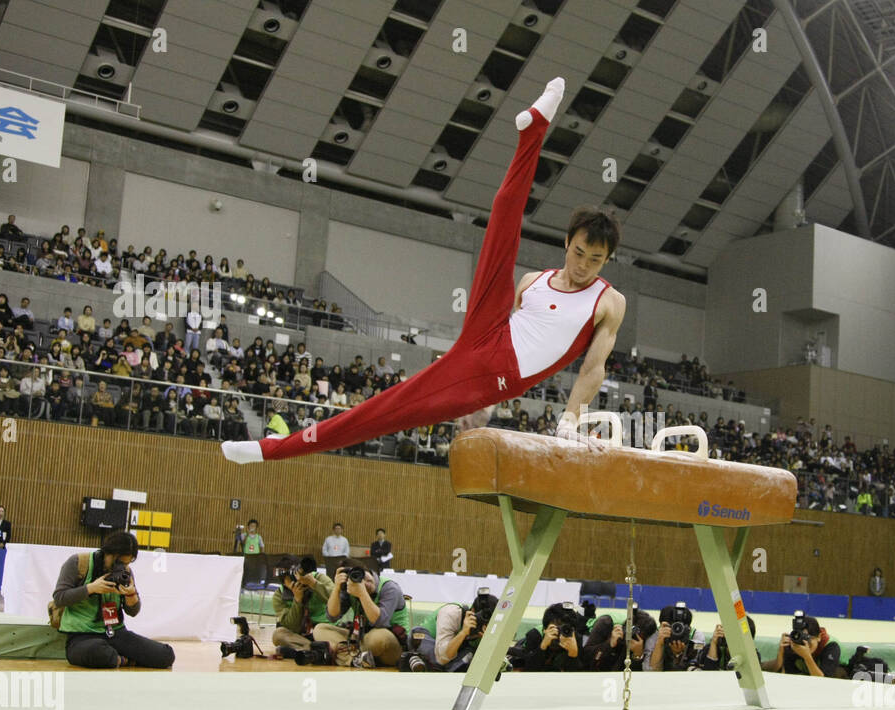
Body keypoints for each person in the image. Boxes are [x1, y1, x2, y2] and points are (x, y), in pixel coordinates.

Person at [222, 77, 627, 465]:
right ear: (567, 243)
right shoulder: (533, 281)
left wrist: (569, 420)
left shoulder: (608, 302)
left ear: (607, 261)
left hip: (489, 376)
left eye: (595, 260)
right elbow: (515, 335)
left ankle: (272, 449)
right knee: (504, 220)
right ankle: (534, 129)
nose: (583, 266)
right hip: (486, 338)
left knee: (384, 412)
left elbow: (593, 368)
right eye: (579, 253)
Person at [50, 531, 175, 668]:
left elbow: (133, 612)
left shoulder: (125, 572)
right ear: (108, 553)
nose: (121, 567)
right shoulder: (78, 562)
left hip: (115, 633)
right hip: (81, 636)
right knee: (98, 651)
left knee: (165, 655)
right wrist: (91, 588)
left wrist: (131, 595)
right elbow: (59, 598)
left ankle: (117, 659)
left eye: (126, 563)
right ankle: (124, 659)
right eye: (119, 562)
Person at [314, 565, 409, 667]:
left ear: (372, 573)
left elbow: (380, 621)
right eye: (361, 580)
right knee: (320, 629)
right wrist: (337, 588)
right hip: (360, 639)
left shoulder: (389, 588)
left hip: (390, 644)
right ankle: (355, 660)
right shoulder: (350, 587)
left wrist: (362, 593)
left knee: (380, 637)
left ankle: (345, 656)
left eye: (368, 580)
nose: (365, 584)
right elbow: (332, 616)